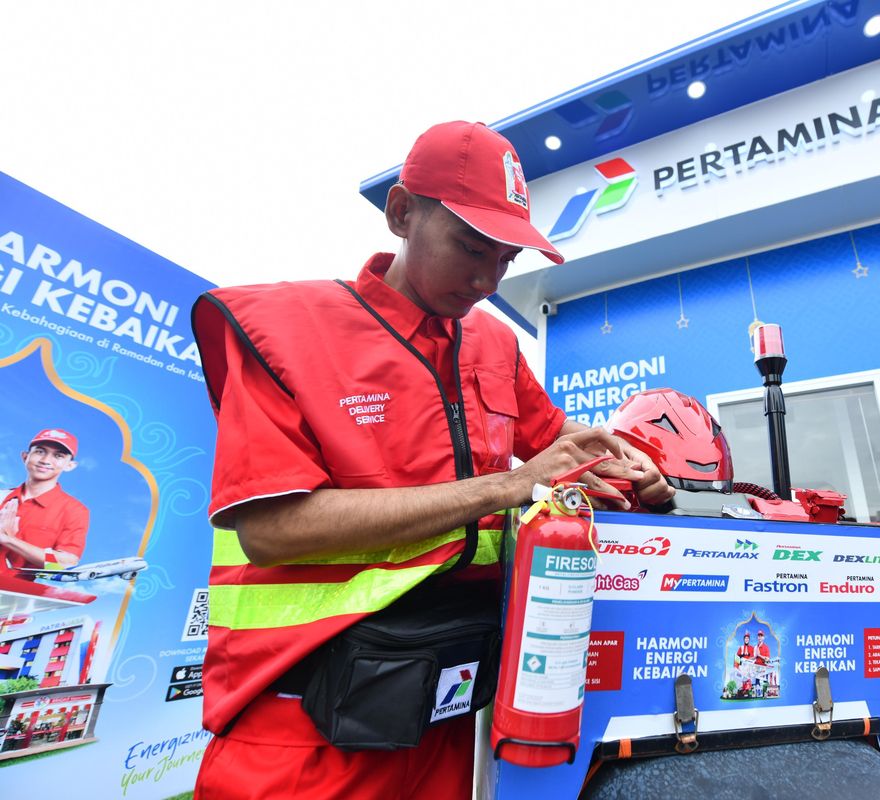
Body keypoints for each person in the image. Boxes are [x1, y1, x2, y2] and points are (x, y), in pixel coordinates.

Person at [189, 120, 672, 799]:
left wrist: (636, 468)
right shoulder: (284, 329)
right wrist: (504, 486)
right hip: (302, 720)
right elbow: (271, 530)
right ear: (401, 212)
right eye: (470, 247)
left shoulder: (494, 346)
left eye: (506, 260)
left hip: (447, 707)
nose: (485, 278)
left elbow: (566, 445)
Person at [0, 429, 88, 571]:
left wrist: (10, 541)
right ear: (25, 456)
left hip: (16, 591)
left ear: (69, 465)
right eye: (40, 451)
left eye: (58, 456)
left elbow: (64, 565)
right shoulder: (1, 497)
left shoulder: (74, 511)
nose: (45, 460)